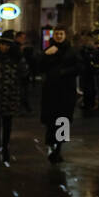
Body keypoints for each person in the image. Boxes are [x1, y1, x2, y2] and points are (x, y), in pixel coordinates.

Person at [0, 30, 27, 167]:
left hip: (10, 96)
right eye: (2, 44)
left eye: (7, 45)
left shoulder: (16, 58)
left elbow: (25, 73)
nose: (4, 47)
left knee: (7, 125)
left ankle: (6, 149)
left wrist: (21, 58)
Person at [39, 24, 82, 162]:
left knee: (64, 119)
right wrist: (46, 55)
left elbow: (79, 67)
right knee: (51, 119)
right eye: (56, 34)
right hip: (51, 90)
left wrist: (63, 72)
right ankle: (51, 144)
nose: (58, 36)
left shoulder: (72, 51)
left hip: (66, 90)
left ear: (65, 35)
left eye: (61, 34)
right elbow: (39, 65)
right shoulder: (49, 49)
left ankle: (59, 148)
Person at [15, 31, 38, 113]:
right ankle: (22, 107)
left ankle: (24, 106)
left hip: (25, 73)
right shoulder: (16, 47)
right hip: (20, 74)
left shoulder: (24, 47)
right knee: (21, 91)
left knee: (25, 91)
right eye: (22, 38)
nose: (24, 40)